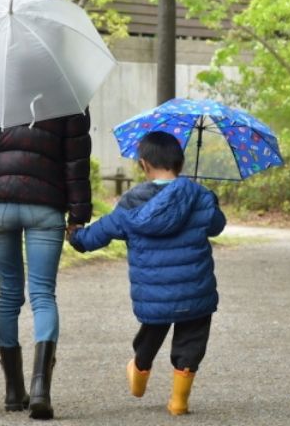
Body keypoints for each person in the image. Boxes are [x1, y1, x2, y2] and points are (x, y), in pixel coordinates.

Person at [68, 131, 226, 416]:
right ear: (180, 162)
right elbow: (217, 226)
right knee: (191, 342)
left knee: (150, 334)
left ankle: (139, 375)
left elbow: (97, 235)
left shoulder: (132, 201)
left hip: (154, 294)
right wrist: (208, 199)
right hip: (195, 291)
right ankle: (179, 402)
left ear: (144, 164)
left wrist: (76, 236)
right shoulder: (198, 195)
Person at [0, 111, 91, 420]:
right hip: (46, 205)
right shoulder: (69, 92)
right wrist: (78, 215)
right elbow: (76, 161)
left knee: (8, 295)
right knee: (43, 294)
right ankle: (41, 389)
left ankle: (13, 391)